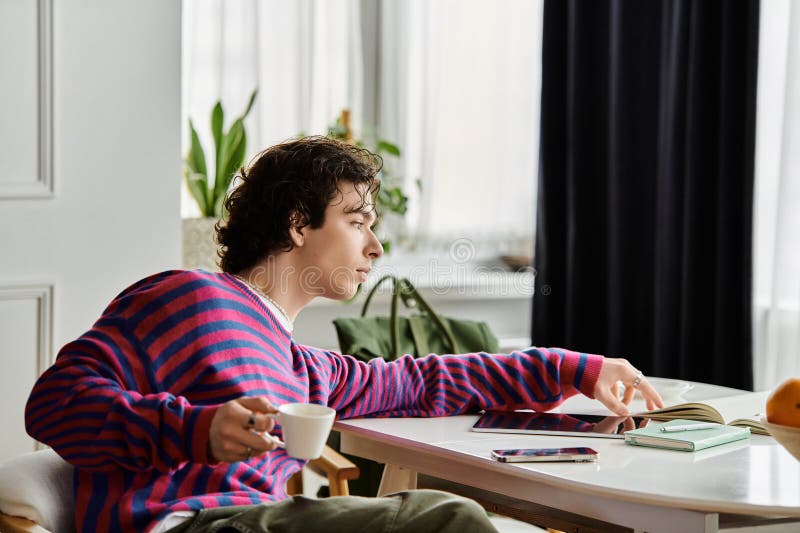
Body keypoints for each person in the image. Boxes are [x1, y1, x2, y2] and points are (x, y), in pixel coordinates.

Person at [25, 136, 663, 533]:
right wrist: (196, 428)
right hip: (193, 524)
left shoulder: (303, 367)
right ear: (300, 224)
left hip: (257, 523)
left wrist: (573, 368)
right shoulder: (187, 296)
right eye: (357, 222)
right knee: (450, 520)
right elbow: (52, 405)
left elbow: (420, 379)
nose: (376, 246)